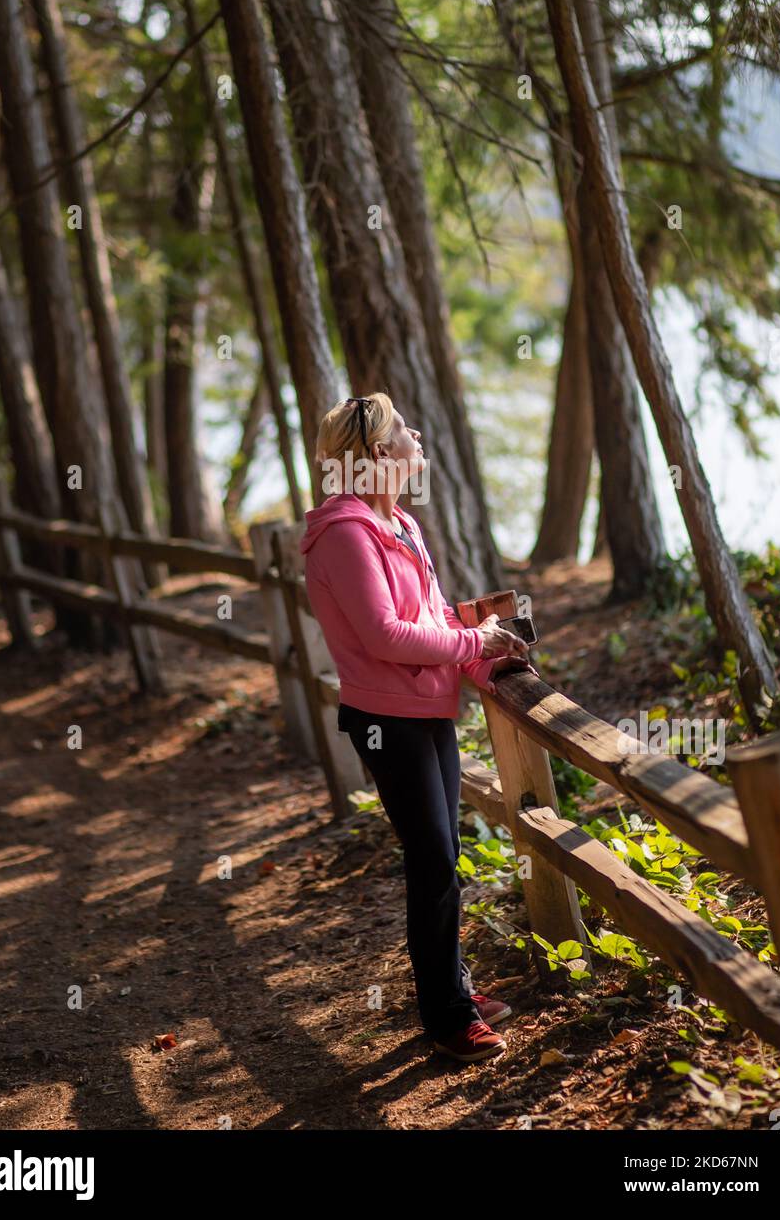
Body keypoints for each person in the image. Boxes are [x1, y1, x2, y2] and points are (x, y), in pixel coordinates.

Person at [300, 392, 534, 1062]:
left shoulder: (399, 523)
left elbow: (431, 619)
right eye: (405, 429)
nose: (418, 434)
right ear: (379, 453)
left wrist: (488, 654)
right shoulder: (346, 533)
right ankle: (446, 1017)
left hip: (427, 713)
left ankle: (450, 986)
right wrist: (472, 645)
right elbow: (383, 634)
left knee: (442, 859)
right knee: (432, 859)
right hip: (384, 720)